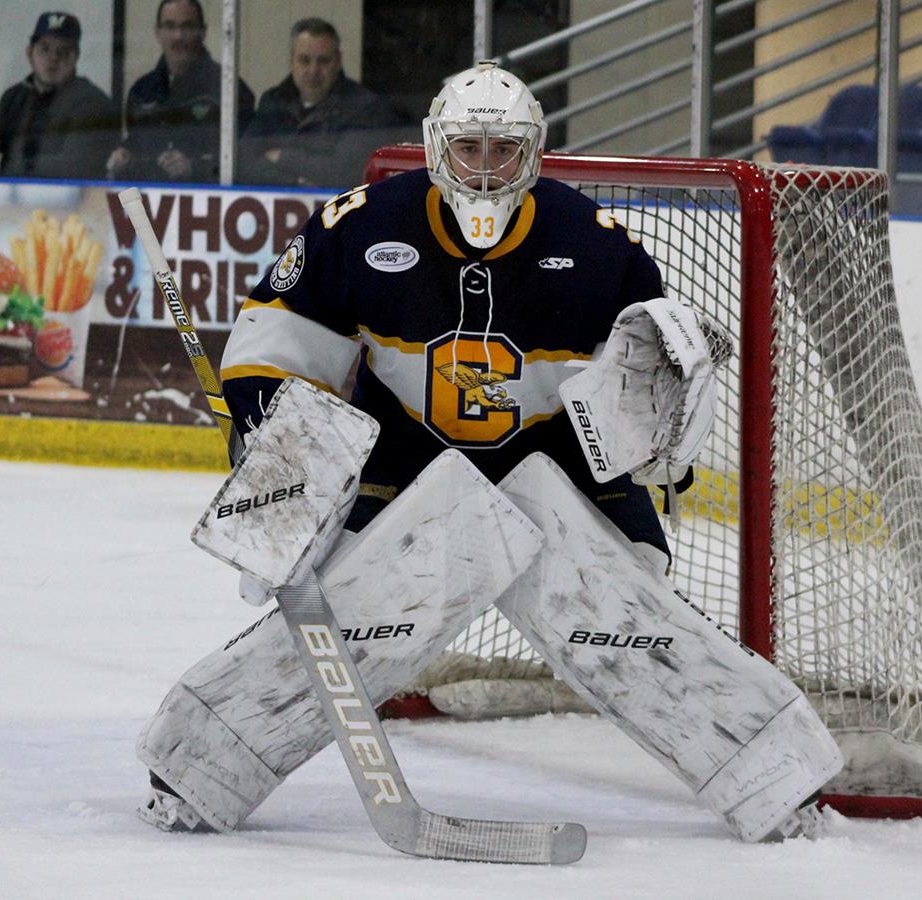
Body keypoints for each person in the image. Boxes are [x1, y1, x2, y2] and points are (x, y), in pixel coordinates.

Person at [133, 63, 839, 845]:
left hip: (558, 462)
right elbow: (280, 343)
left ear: (533, 153)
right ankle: (198, 767)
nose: (486, 167)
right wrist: (274, 450)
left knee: (625, 620)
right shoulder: (363, 226)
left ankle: (778, 776)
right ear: (436, 147)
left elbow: (645, 395)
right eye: (468, 147)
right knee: (348, 619)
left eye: (505, 149)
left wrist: (663, 427)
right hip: (400, 458)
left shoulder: (596, 248)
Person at [238, 18, 407, 188]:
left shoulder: (365, 107)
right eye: (304, 60)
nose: (313, 71)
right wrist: (296, 183)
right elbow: (243, 163)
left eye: (324, 61)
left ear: (339, 61)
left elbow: (344, 172)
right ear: (291, 61)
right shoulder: (273, 101)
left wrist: (283, 157)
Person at [106, 0, 255, 183]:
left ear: (203, 32)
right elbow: (136, 143)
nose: (178, 36)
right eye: (170, 26)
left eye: (188, 26)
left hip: (206, 205)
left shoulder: (229, 89)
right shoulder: (141, 91)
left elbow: (246, 159)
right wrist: (124, 155)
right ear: (157, 32)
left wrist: (195, 168)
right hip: (151, 205)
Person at [0, 12, 118, 181]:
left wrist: (5, 164)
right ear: (29, 53)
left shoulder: (93, 102)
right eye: (45, 48)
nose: (53, 58)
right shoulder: (13, 98)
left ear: (76, 57)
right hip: (12, 203)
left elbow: (75, 167)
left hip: (76, 205)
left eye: (64, 51)